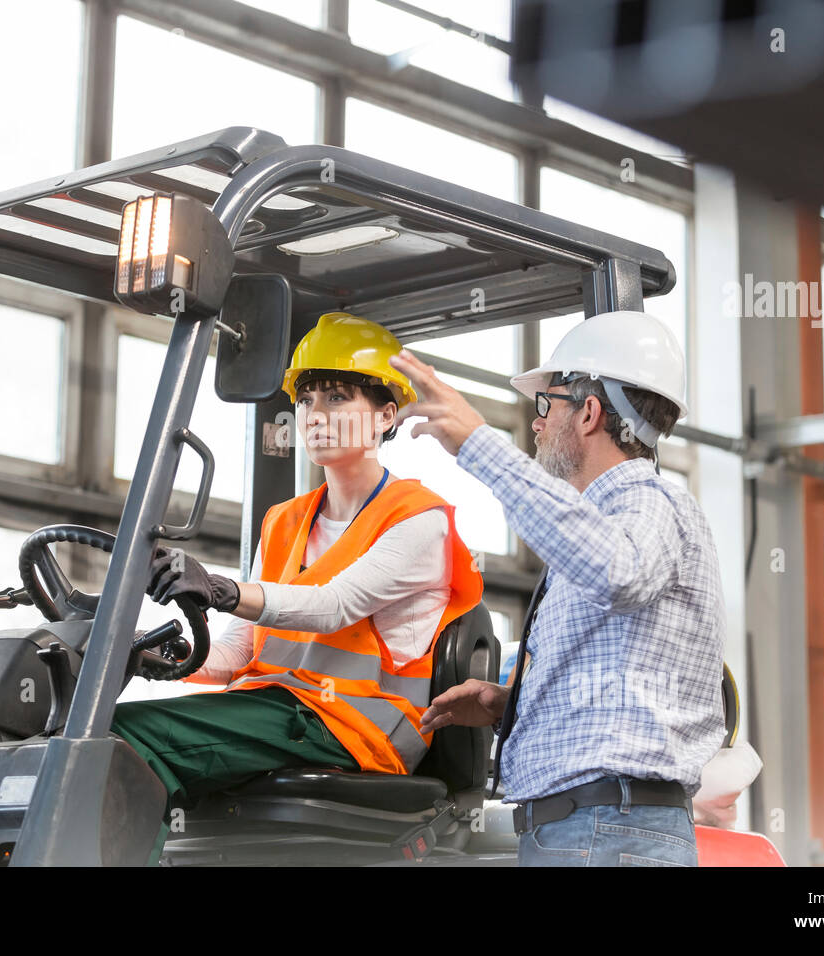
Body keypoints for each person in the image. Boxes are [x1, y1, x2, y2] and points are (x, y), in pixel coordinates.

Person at [112, 311, 483, 864]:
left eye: (337, 398)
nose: (314, 415)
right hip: (282, 712)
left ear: (386, 415)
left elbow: (332, 606)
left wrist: (220, 588)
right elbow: (238, 652)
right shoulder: (284, 521)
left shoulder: (418, 520)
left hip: (357, 725)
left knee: (127, 740)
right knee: (96, 727)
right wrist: (143, 651)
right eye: (306, 400)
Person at [389, 309, 726, 867]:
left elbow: (619, 573)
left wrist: (478, 444)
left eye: (546, 405)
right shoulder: (606, 525)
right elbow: (615, 679)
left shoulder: (648, 503)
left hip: (604, 829)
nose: (537, 424)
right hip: (594, 829)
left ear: (590, 412)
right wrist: (508, 706)